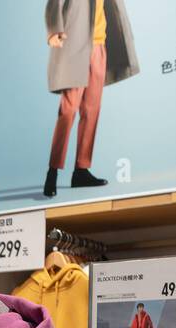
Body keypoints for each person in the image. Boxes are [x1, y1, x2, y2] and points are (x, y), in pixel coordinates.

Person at [43, 0, 139, 198]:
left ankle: (81, 170)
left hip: (99, 46)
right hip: (74, 45)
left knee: (91, 109)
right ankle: (52, 172)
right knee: (68, 110)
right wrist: (54, 29)